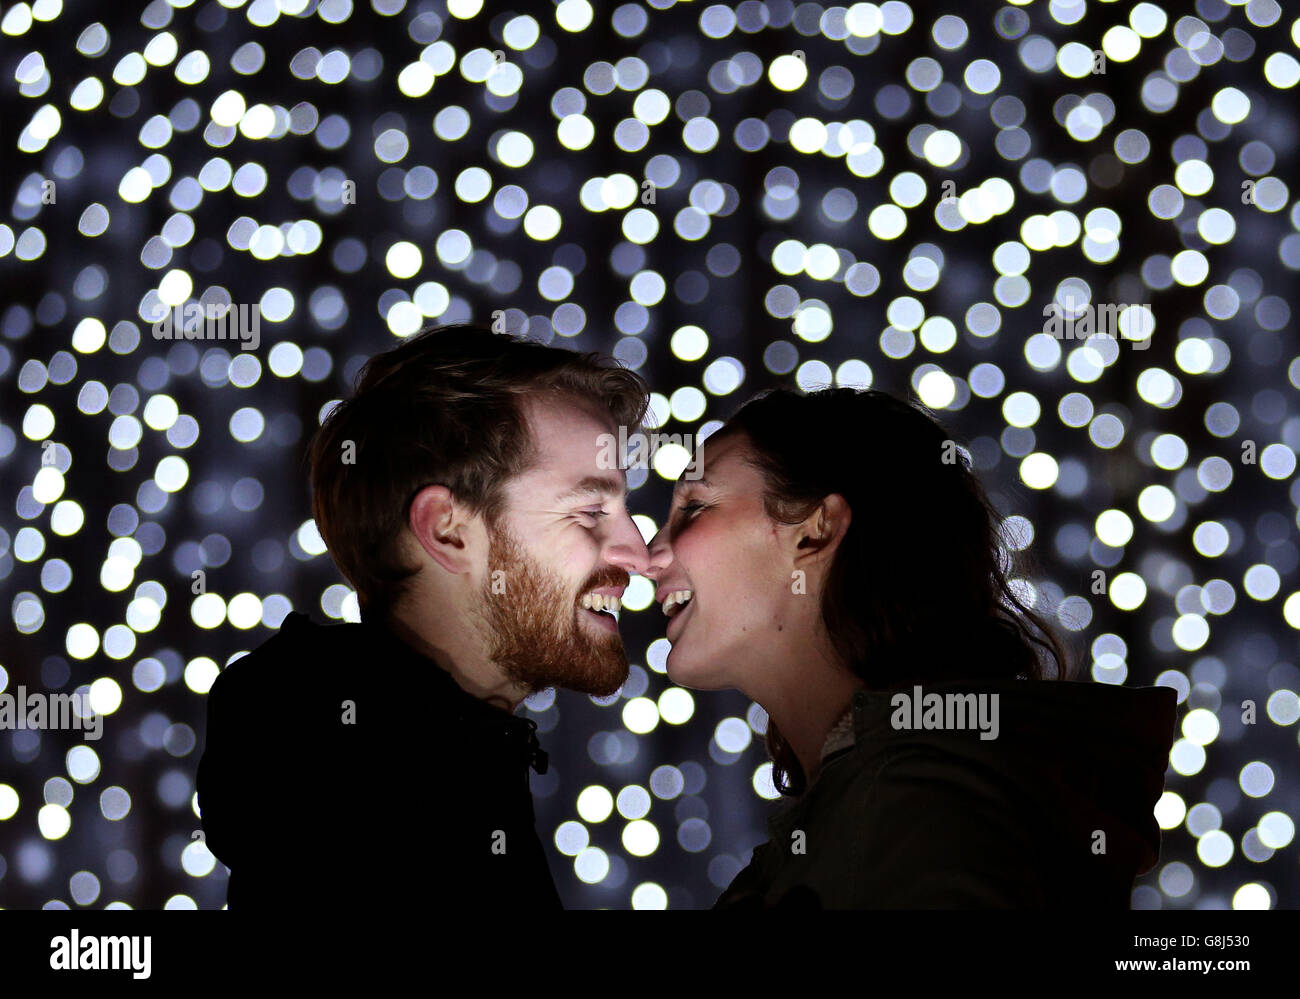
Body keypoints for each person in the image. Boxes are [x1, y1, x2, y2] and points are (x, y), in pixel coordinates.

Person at [644, 386, 1178, 908]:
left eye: (694, 506)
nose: (650, 554)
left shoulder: (920, 810)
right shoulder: (893, 800)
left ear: (815, 531)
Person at [196, 323, 652, 910]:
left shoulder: (431, 773)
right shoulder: (371, 820)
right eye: (589, 510)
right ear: (446, 531)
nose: (637, 554)